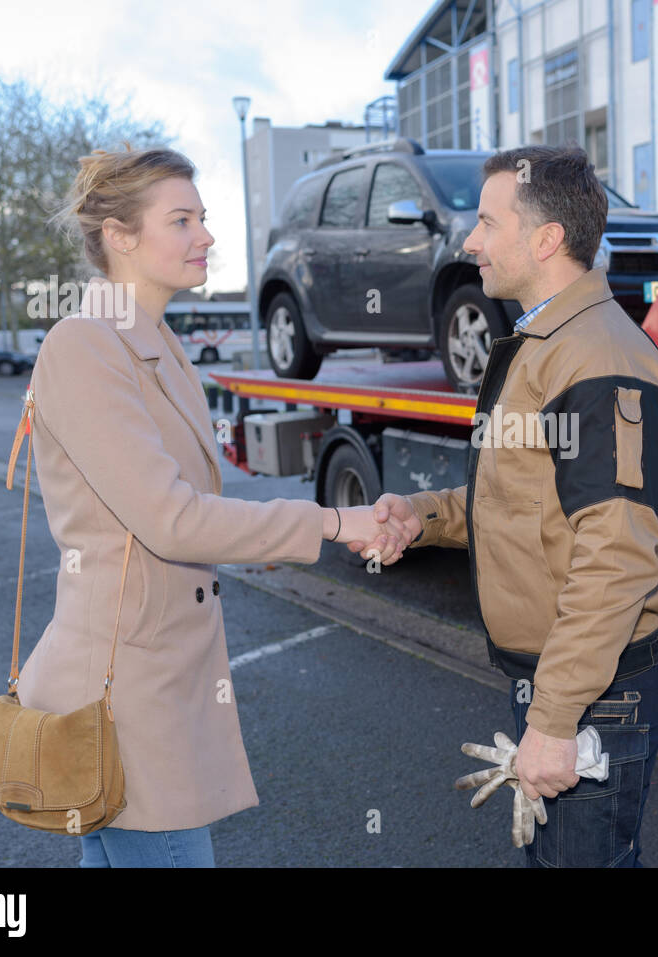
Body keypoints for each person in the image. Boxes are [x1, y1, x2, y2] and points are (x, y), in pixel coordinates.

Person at [21, 145, 413, 868]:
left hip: (155, 674)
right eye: (182, 220)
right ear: (120, 235)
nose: (206, 236)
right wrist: (333, 520)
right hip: (129, 692)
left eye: (202, 218)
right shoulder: (86, 347)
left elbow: (194, 509)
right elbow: (173, 518)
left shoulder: (157, 344)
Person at [372, 145, 658, 867]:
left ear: (546, 239)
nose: (470, 241)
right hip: (572, 682)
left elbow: (616, 555)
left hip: (593, 694)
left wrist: (553, 720)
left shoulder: (595, 355)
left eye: (487, 223)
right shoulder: (551, 342)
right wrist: (421, 516)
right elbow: (525, 503)